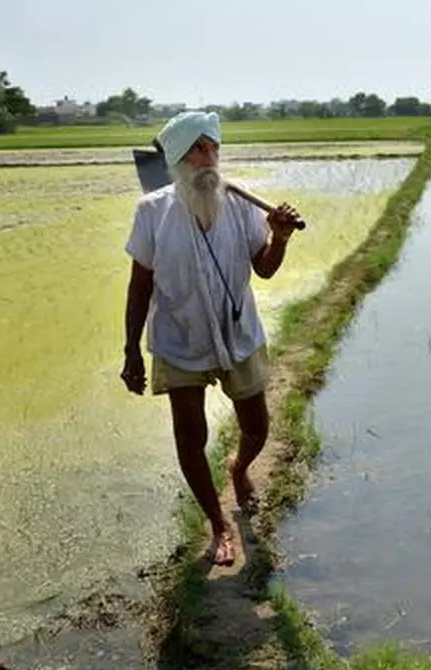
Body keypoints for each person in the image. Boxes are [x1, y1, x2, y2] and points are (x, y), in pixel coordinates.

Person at [119, 110, 303, 566]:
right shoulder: (153, 212)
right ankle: (219, 525)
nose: (209, 157)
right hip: (179, 339)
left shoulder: (239, 205)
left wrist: (278, 238)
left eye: (213, 148)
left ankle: (238, 469)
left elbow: (263, 268)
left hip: (237, 332)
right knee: (190, 436)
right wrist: (131, 351)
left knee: (257, 426)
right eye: (198, 149)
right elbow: (140, 286)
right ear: (179, 158)